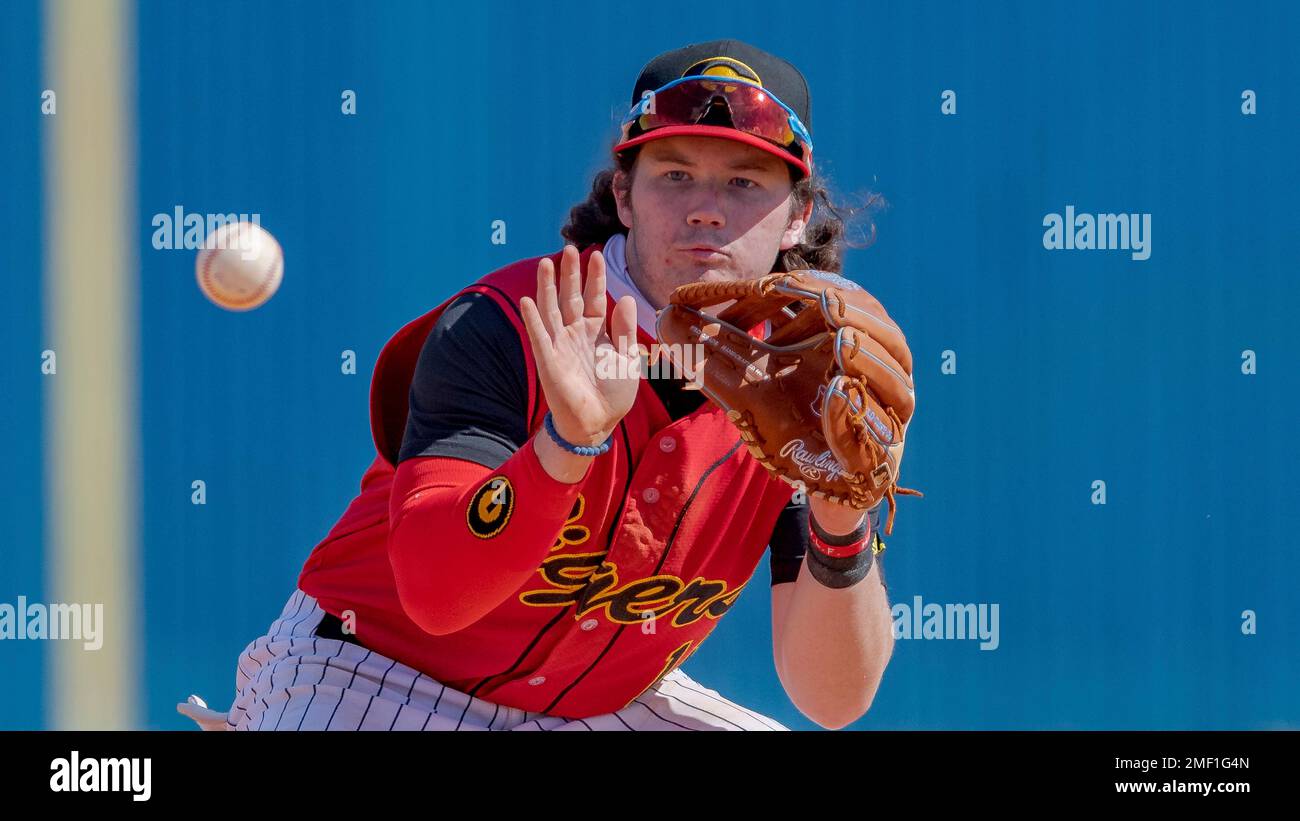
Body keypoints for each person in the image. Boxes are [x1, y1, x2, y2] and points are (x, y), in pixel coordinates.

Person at [179, 38, 908, 732]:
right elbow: (435, 596)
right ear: (624, 195)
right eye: (675, 174)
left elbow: (833, 699)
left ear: (798, 214)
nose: (706, 207)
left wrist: (841, 524)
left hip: (598, 704)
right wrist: (566, 445)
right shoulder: (506, 325)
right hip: (374, 671)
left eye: (745, 182)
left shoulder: (807, 381)